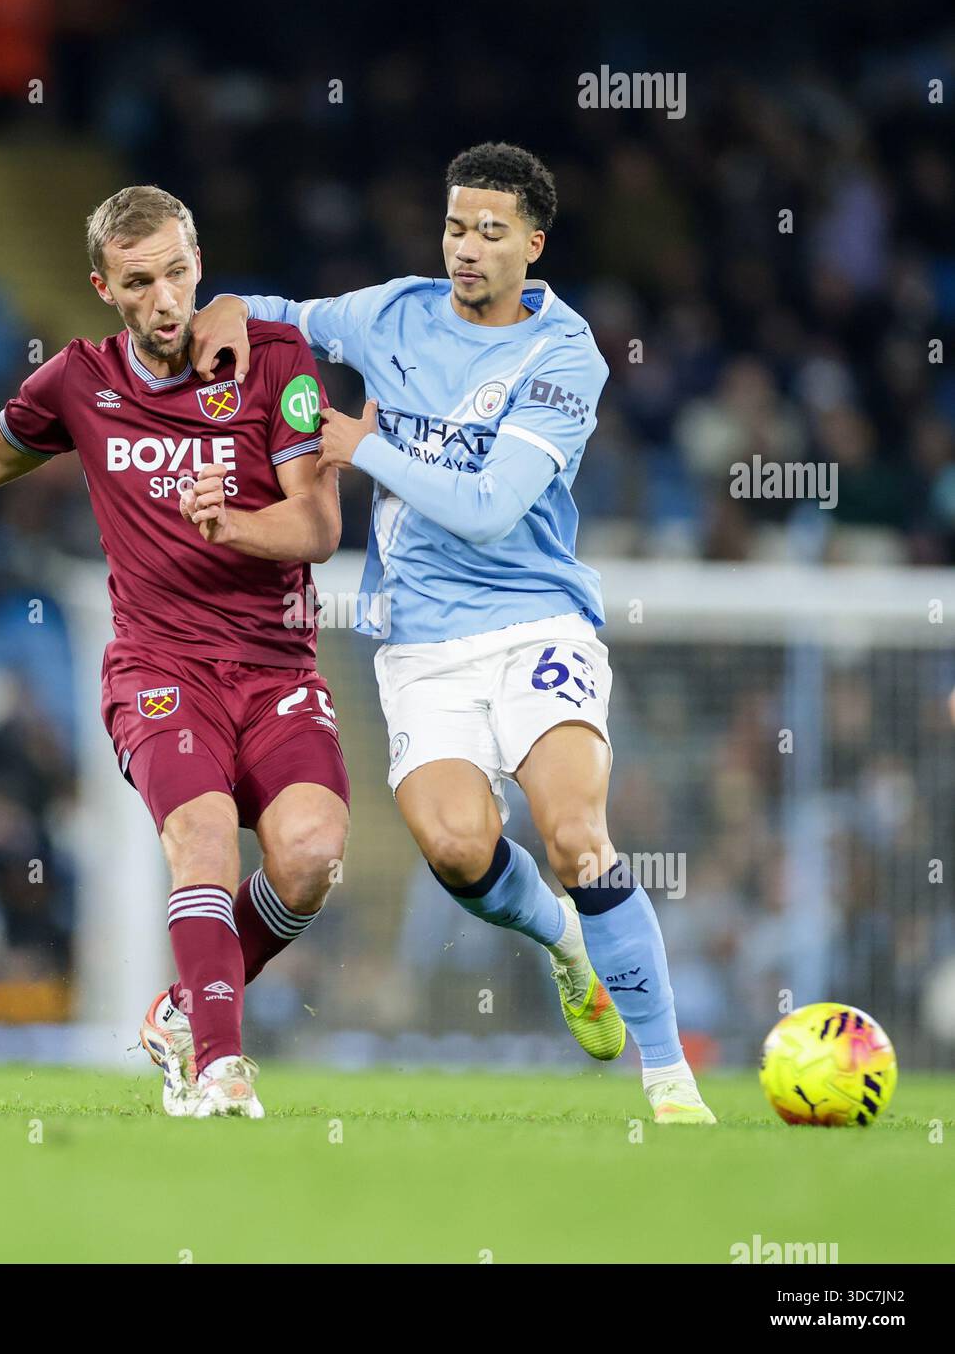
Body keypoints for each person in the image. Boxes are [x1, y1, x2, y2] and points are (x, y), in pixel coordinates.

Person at [189, 143, 715, 1123]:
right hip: (420, 646)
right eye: (455, 226)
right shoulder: (392, 313)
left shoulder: (563, 356)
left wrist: (363, 446)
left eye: (489, 231)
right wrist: (220, 309)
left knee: (572, 832)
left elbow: (487, 506)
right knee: (458, 847)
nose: (465, 248)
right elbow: (287, 318)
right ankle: (565, 942)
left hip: (535, 623)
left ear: (533, 242)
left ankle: (671, 1079)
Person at [0, 185, 350, 1119]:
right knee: (204, 841)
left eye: (179, 271)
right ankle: (217, 1068)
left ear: (199, 263)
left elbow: (317, 524)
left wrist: (229, 523)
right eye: (142, 282)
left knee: (310, 856)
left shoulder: (276, 360)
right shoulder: (77, 382)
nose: (167, 298)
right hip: (159, 670)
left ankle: (183, 1011)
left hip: (276, 671)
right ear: (106, 287)